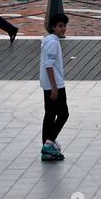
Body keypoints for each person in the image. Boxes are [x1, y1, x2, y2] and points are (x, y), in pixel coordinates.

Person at [40, 14, 70, 161]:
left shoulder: (49, 40)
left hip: (49, 84)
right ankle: (49, 143)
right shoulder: (52, 43)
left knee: (50, 115)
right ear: (53, 27)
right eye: (60, 26)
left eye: (64, 26)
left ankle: (47, 146)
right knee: (64, 114)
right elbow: (49, 66)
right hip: (55, 84)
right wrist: (54, 88)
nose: (63, 29)